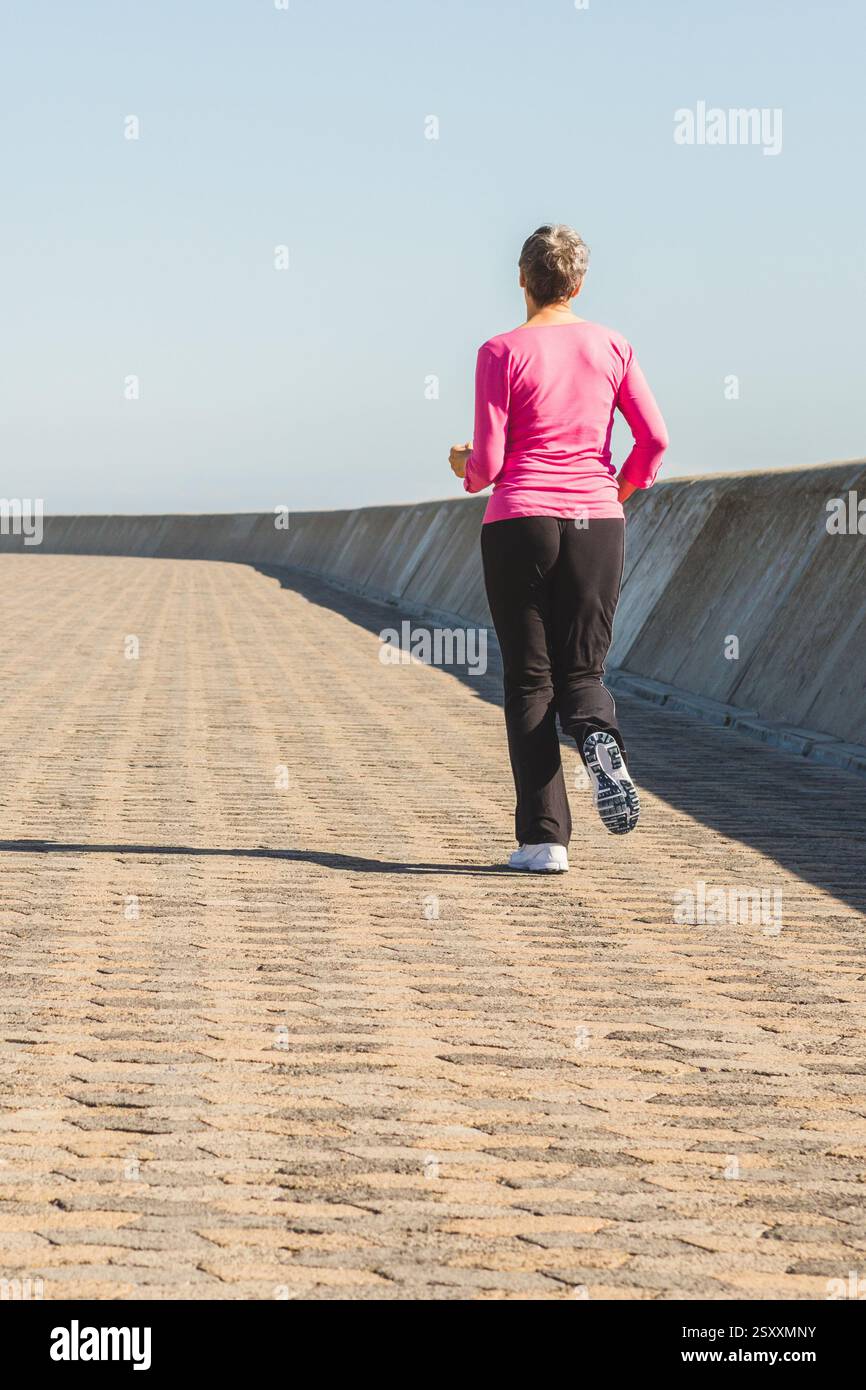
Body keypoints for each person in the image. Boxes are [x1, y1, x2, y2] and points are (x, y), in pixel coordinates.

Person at [449, 224, 668, 873]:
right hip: (596, 520)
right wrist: (613, 494)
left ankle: (544, 841)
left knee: (529, 679)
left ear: (522, 278)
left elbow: (489, 464)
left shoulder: (500, 351)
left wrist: (461, 463)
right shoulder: (613, 346)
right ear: (579, 283)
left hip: (520, 521)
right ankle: (599, 737)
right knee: (583, 673)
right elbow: (654, 440)